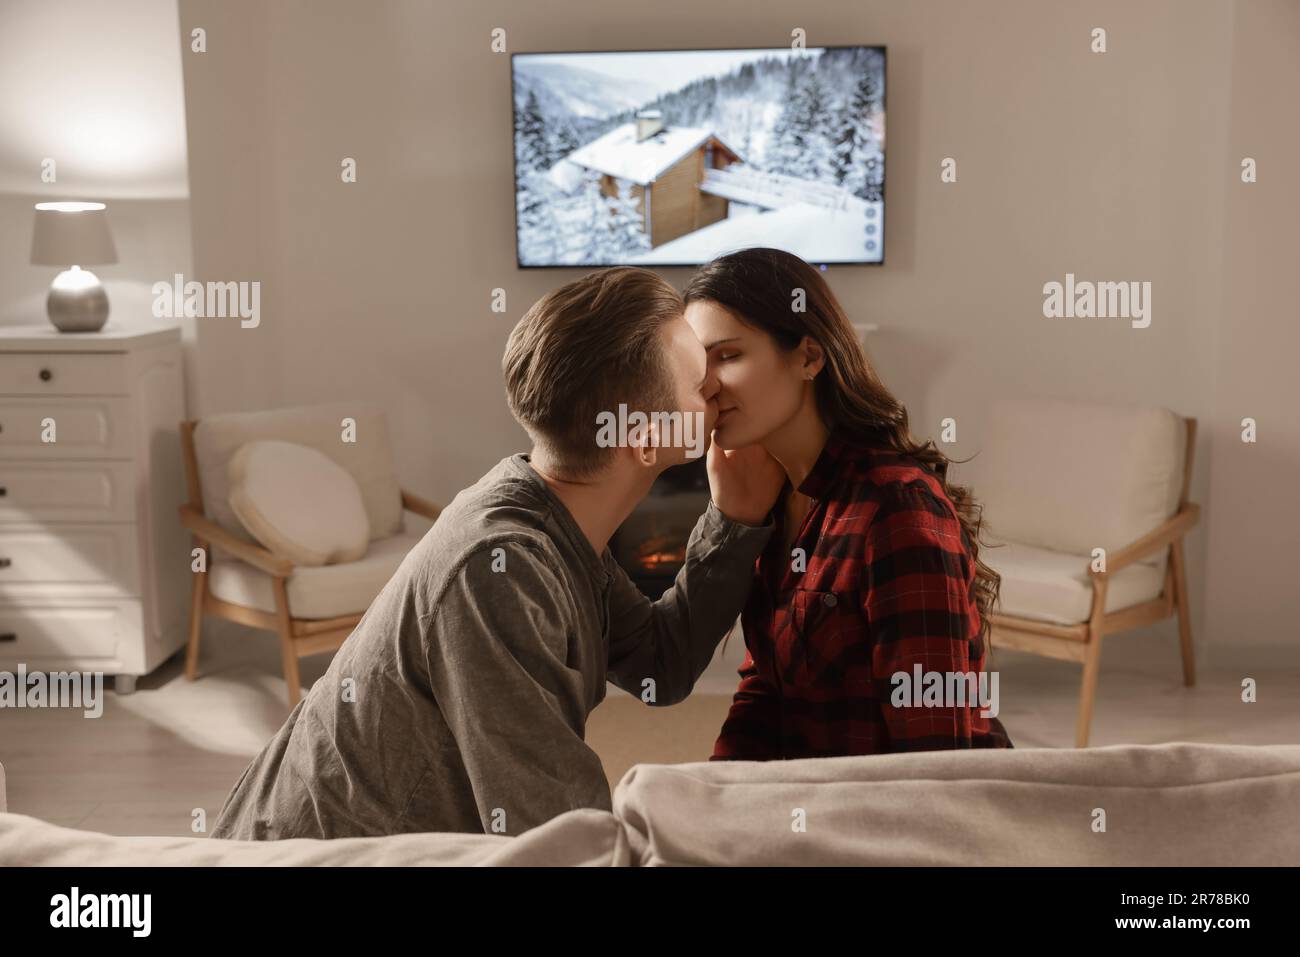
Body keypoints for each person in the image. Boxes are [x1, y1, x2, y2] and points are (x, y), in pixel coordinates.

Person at [211, 267, 782, 840]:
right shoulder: (500, 569)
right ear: (643, 437)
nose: (717, 388)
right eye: (698, 381)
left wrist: (734, 521)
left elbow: (662, 664)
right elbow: (558, 837)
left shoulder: (551, 511)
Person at [682, 247, 1014, 759]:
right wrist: (714, 792)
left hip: (896, 820)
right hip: (810, 808)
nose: (706, 385)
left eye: (728, 356)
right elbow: (767, 686)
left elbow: (935, 756)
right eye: (697, 364)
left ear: (810, 356)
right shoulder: (773, 498)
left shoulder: (896, 508)